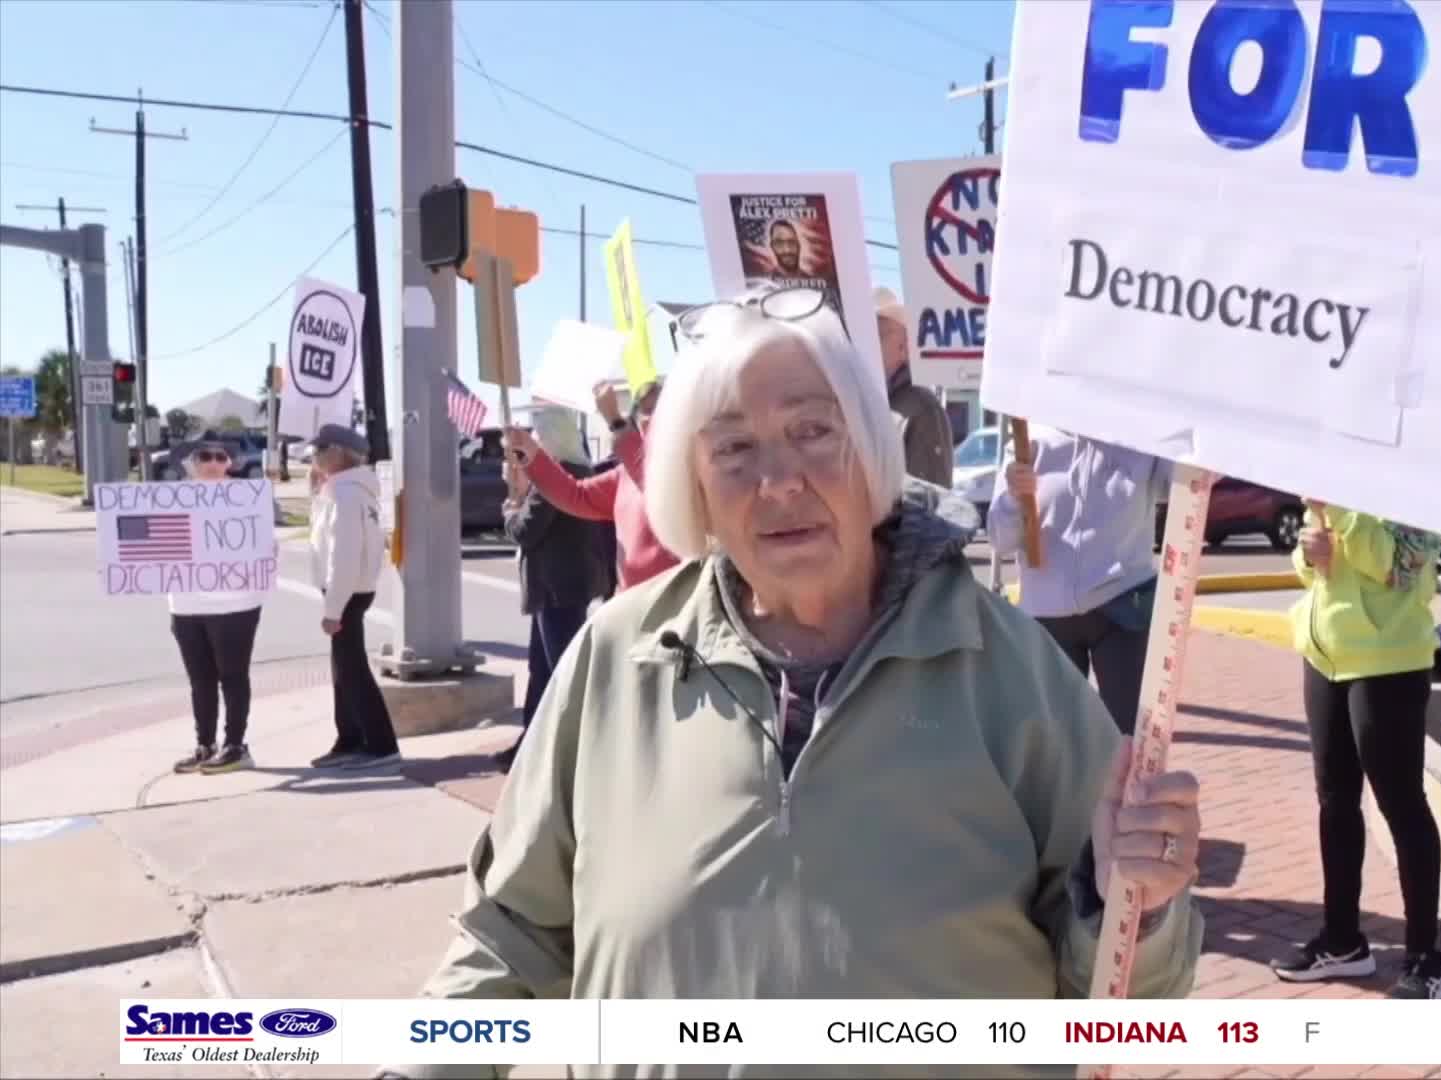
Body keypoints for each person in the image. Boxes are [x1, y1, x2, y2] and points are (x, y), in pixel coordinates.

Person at [399, 286, 1202, 1074]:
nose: (778, 481)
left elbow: (1126, 998)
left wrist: (1138, 903)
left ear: (872, 454)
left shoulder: (1007, 669)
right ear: (694, 488)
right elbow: (509, 934)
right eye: (733, 450)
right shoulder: (616, 657)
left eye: (814, 432)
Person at [1273, 500, 1441, 999]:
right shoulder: (1336, 471)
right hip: (1325, 657)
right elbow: (1315, 571)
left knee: (1401, 804)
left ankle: (1425, 956)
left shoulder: (1412, 480)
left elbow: (1402, 569)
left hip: (1388, 662)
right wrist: (1309, 557)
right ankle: (1343, 939)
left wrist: (1343, 516)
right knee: (1334, 801)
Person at [989, 425, 1168, 734]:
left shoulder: (1141, 431)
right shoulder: (1029, 439)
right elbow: (1000, 540)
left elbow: (1189, 481)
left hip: (1124, 609)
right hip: (1047, 618)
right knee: (1055, 748)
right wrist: (1012, 498)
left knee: (1128, 743)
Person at [496, 407, 616, 772]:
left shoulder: (556, 477)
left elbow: (525, 531)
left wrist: (510, 509)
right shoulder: (580, 470)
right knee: (542, 670)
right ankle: (530, 745)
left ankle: (568, 755)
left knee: (560, 673)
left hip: (557, 587)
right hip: (568, 585)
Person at [505, 380, 676, 594]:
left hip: (675, 608)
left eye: (659, 410)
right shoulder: (623, 475)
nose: (651, 418)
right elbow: (575, 495)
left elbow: (658, 489)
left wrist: (615, 422)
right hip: (631, 608)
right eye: (645, 411)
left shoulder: (684, 471)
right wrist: (528, 453)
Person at [168, 431, 268, 775]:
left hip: (235, 604)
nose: (212, 463)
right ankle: (205, 744)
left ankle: (236, 745)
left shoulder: (247, 498)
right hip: (186, 603)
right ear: (190, 463)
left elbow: (265, 546)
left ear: (230, 462)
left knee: (233, 676)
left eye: (219, 457)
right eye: (203, 457)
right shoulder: (173, 498)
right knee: (200, 680)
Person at [306, 423, 400, 770]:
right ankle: (350, 738)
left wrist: (334, 608)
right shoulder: (347, 491)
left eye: (319, 451)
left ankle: (379, 743)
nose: (312, 457)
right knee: (343, 670)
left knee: (353, 671)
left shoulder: (346, 496)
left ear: (338, 454)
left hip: (346, 591)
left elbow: (344, 555)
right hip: (351, 590)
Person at [874, 286, 955, 487]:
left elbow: (928, 505)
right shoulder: (869, 403)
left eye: (877, 336)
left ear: (903, 347)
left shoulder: (922, 410)